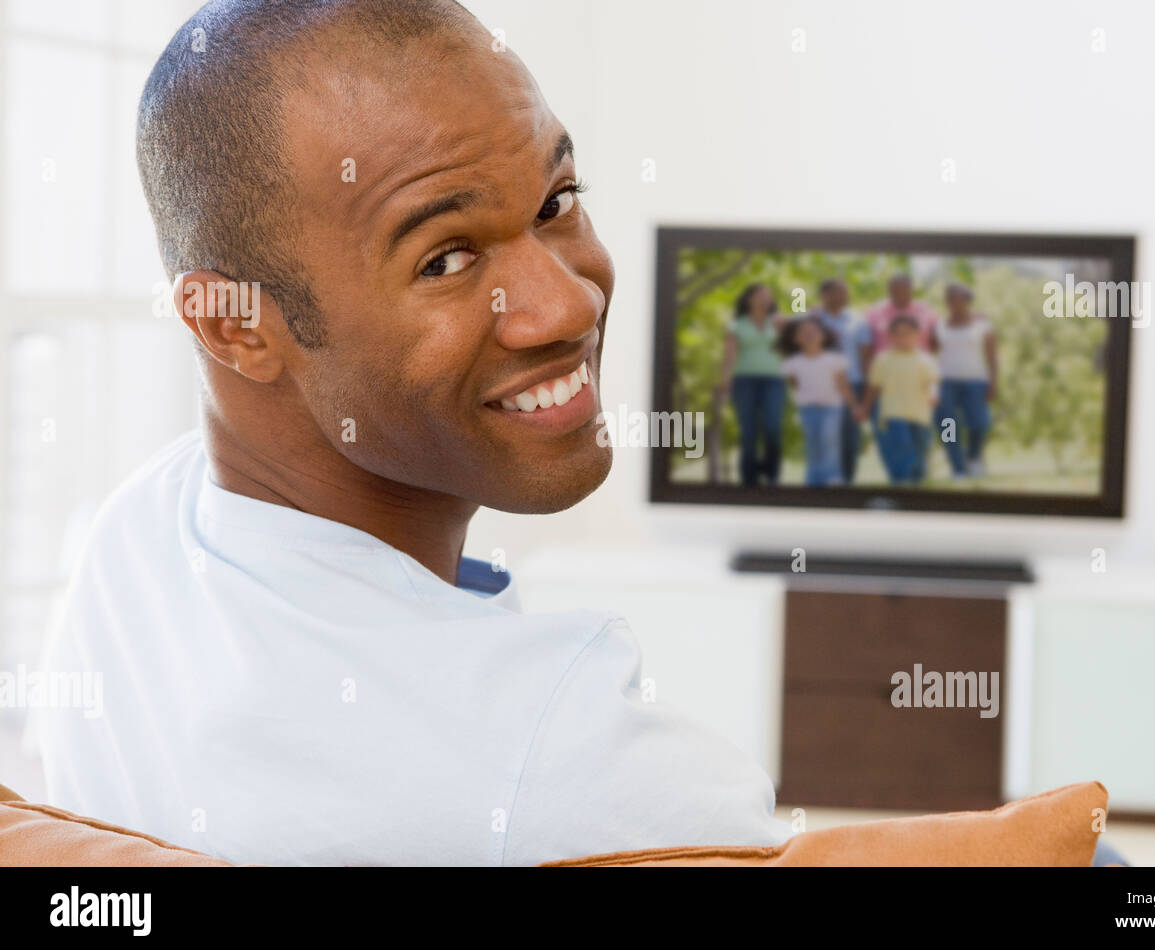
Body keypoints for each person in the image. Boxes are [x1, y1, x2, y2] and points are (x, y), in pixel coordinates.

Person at [36, 0, 794, 867]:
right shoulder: (568, 755)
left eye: (557, 201)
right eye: (445, 258)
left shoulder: (128, 541)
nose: (568, 303)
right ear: (233, 326)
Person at [863, 273, 940, 476]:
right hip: (892, 410)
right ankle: (901, 479)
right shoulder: (882, 356)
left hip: (919, 409)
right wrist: (865, 406)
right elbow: (874, 386)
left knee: (921, 447)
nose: (898, 293)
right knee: (900, 446)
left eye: (903, 289)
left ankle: (916, 481)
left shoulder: (925, 357)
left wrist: (933, 393)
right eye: (894, 289)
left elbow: (932, 379)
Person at [779, 318, 864, 486]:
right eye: (804, 332)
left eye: (813, 331)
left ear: (823, 336)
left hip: (831, 408)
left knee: (829, 440)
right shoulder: (792, 363)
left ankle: (833, 477)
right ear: (796, 339)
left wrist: (854, 406)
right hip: (808, 409)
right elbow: (793, 384)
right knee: (813, 444)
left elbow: (843, 385)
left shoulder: (834, 360)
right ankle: (814, 480)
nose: (809, 335)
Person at [719, 283, 787, 486]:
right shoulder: (737, 325)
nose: (765, 299)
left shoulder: (778, 322)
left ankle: (772, 476)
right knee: (748, 431)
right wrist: (725, 382)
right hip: (744, 381)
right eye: (760, 295)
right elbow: (729, 356)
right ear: (749, 299)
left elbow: (791, 346)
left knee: (772, 427)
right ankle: (749, 480)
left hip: (774, 380)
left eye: (768, 295)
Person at [810, 278, 872, 482]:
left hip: (852, 382)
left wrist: (866, 388)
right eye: (839, 292)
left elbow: (864, 355)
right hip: (821, 384)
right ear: (825, 294)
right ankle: (825, 478)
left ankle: (847, 479)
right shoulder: (813, 319)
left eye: (845, 292)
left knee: (849, 436)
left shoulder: (858, 320)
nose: (844, 296)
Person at [933, 283, 998, 478]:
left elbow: (992, 356)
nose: (953, 301)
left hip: (976, 380)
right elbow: (931, 351)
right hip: (946, 381)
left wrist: (994, 381)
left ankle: (974, 457)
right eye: (949, 298)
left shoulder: (983, 324)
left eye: (958, 297)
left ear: (967, 300)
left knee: (979, 423)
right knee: (947, 424)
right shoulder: (939, 325)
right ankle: (957, 467)